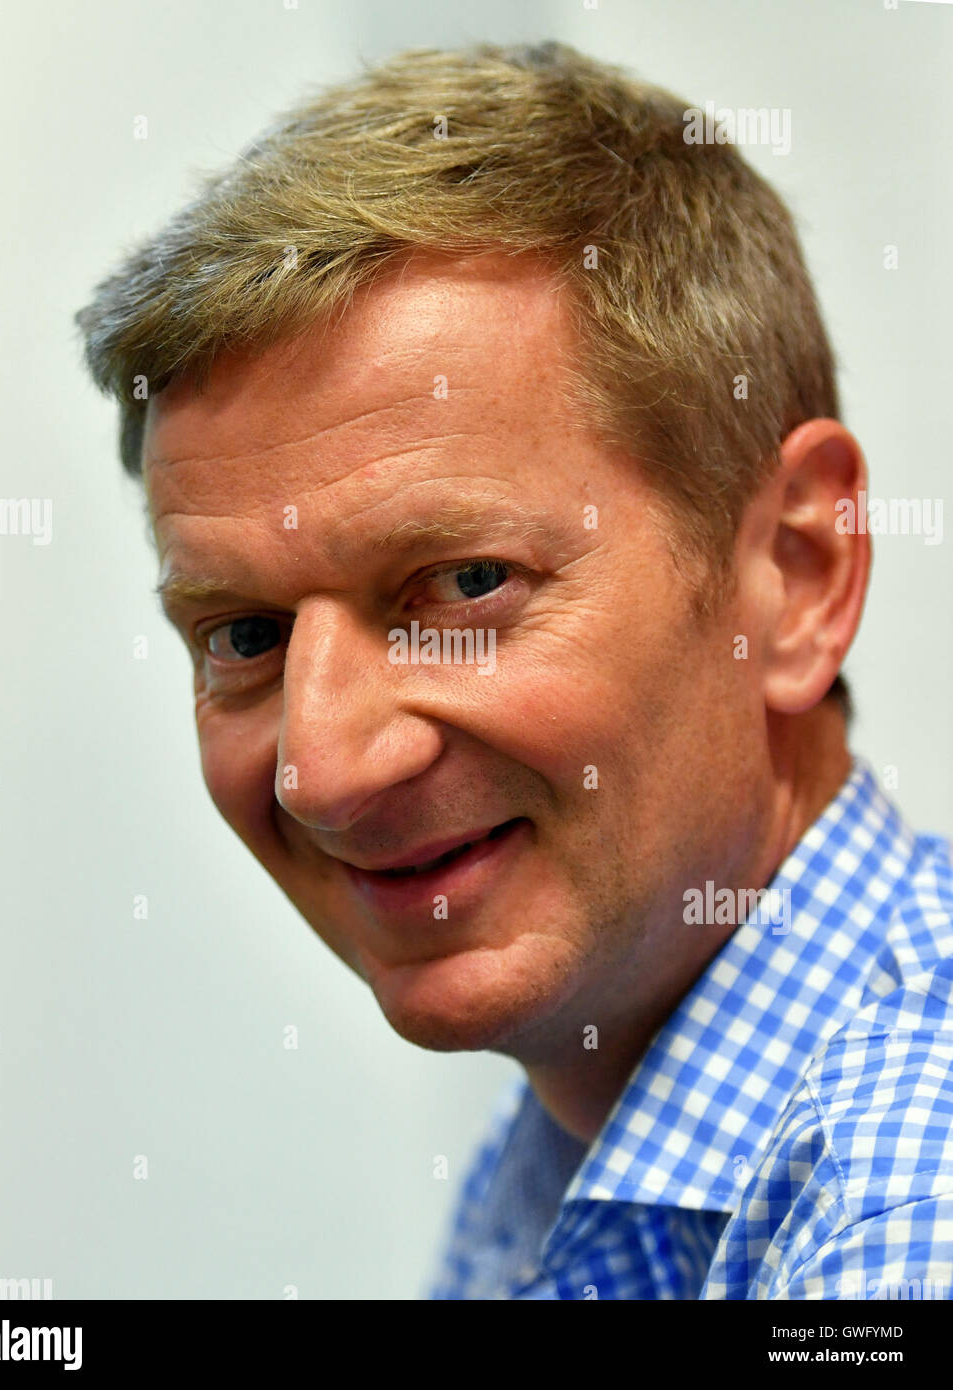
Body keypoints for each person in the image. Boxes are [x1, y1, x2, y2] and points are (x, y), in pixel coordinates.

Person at [74, 41, 953, 1299]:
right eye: (245, 637)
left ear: (794, 575)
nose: (321, 771)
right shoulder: (564, 1160)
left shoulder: (902, 1197)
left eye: (466, 584)